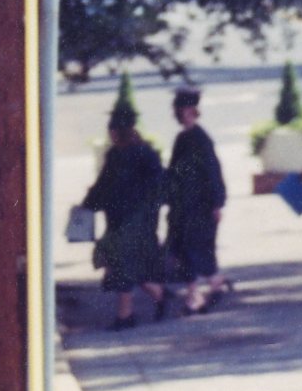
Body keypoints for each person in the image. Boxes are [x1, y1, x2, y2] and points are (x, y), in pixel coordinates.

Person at [82, 102, 168, 329]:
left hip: (132, 222)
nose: (110, 133)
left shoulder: (136, 154)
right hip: (123, 220)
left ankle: (125, 315)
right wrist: (89, 203)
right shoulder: (124, 154)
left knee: (122, 265)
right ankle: (158, 294)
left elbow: (156, 187)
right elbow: (104, 185)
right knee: (122, 265)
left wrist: (89, 204)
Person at [164, 88, 229, 314]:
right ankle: (205, 289)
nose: (177, 114)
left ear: (191, 111)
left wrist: (217, 203)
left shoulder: (201, 140)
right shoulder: (182, 139)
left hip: (200, 206)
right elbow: (173, 172)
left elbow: (213, 172)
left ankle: (203, 291)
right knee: (183, 249)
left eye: (180, 110)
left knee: (196, 248)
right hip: (182, 206)